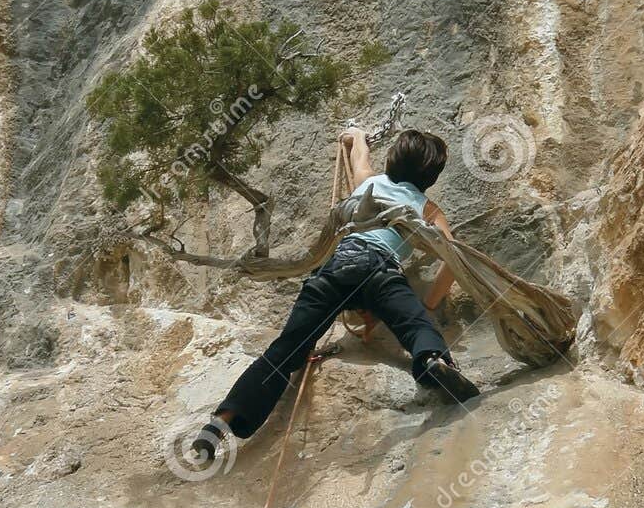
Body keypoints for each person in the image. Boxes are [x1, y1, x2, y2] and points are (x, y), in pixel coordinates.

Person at [192, 127, 480, 461]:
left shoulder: (369, 184)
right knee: (417, 327)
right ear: (431, 176)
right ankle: (434, 361)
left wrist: (355, 135)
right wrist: (428, 304)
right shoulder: (429, 209)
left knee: (285, 350)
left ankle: (219, 424)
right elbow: (454, 255)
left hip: (337, 268)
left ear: (393, 159)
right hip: (381, 272)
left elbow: (359, 154)